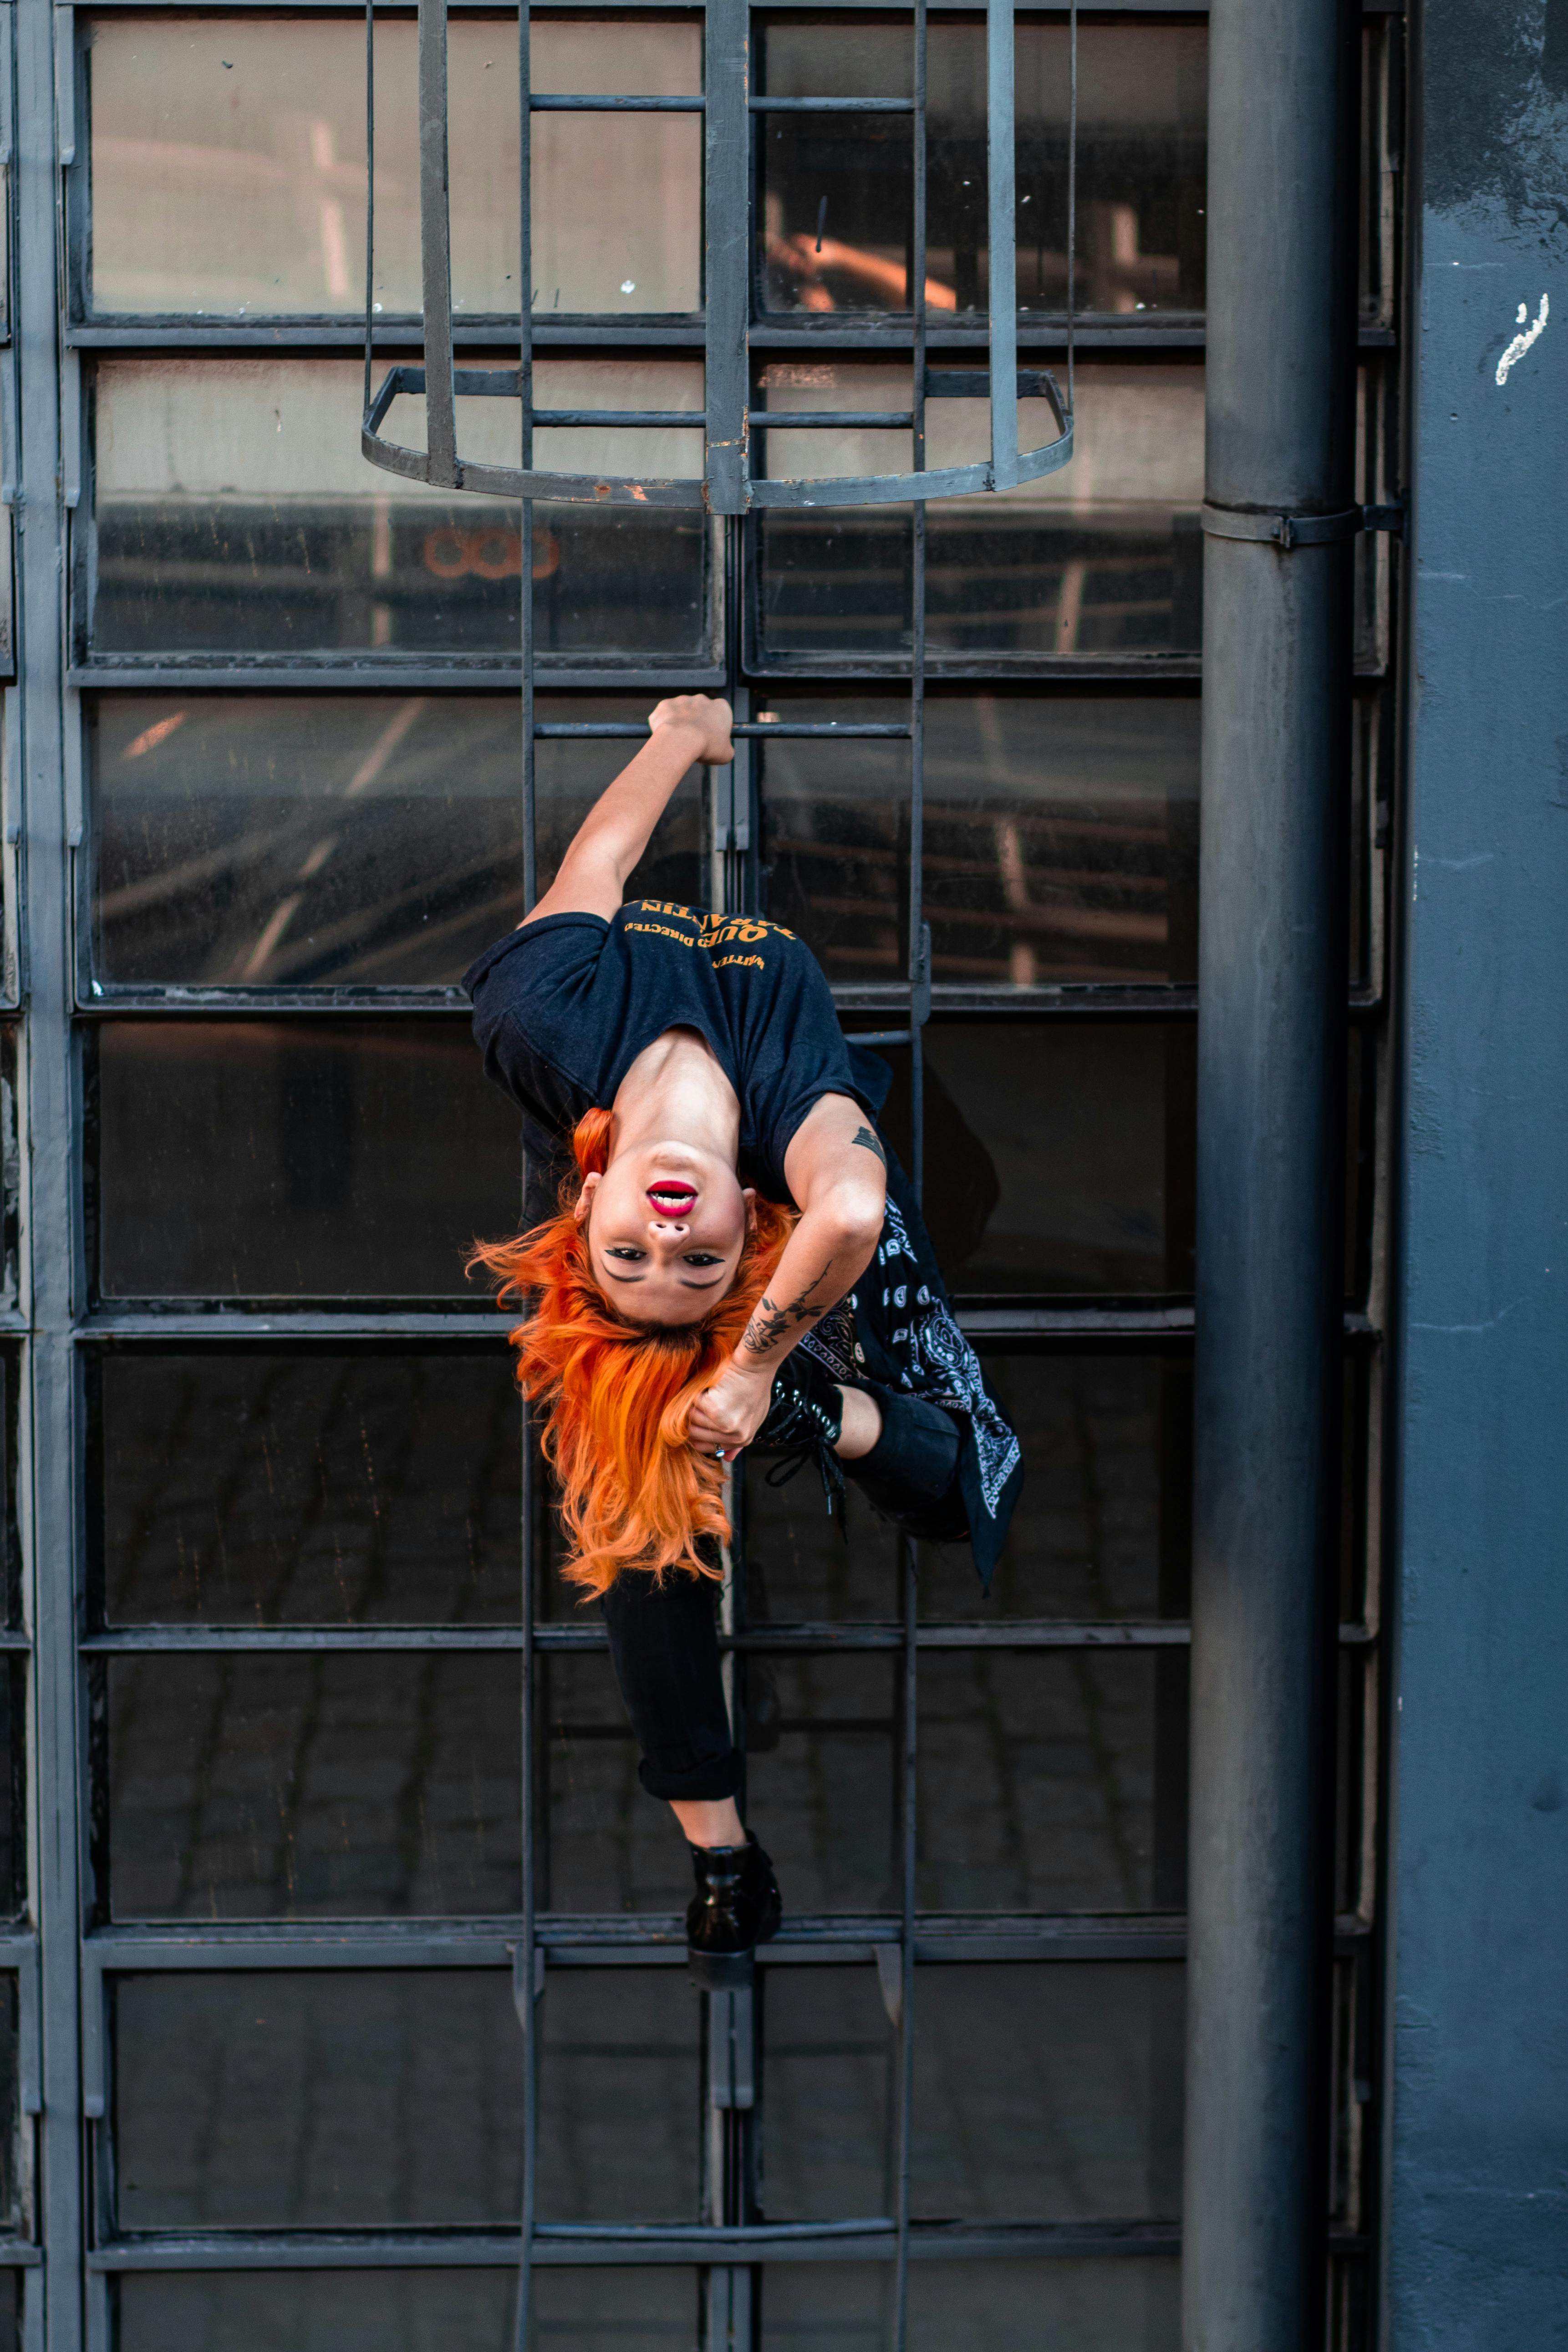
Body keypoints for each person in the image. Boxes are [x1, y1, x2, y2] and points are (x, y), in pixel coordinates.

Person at [463, 695, 1023, 1985]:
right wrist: (757, 1356)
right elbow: (853, 1204)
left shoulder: (546, 1026)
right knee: (640, 1504)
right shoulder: (790, 1129)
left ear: (587, 1194)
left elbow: (594, 870)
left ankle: (805, 1408)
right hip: (825, 1200)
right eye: (689, 1257)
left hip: (818, 1211)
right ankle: (718, 1845)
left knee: (932, 1436)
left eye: (638, 1250)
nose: (666, 1238)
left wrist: (677, 739)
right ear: (746, 1234)